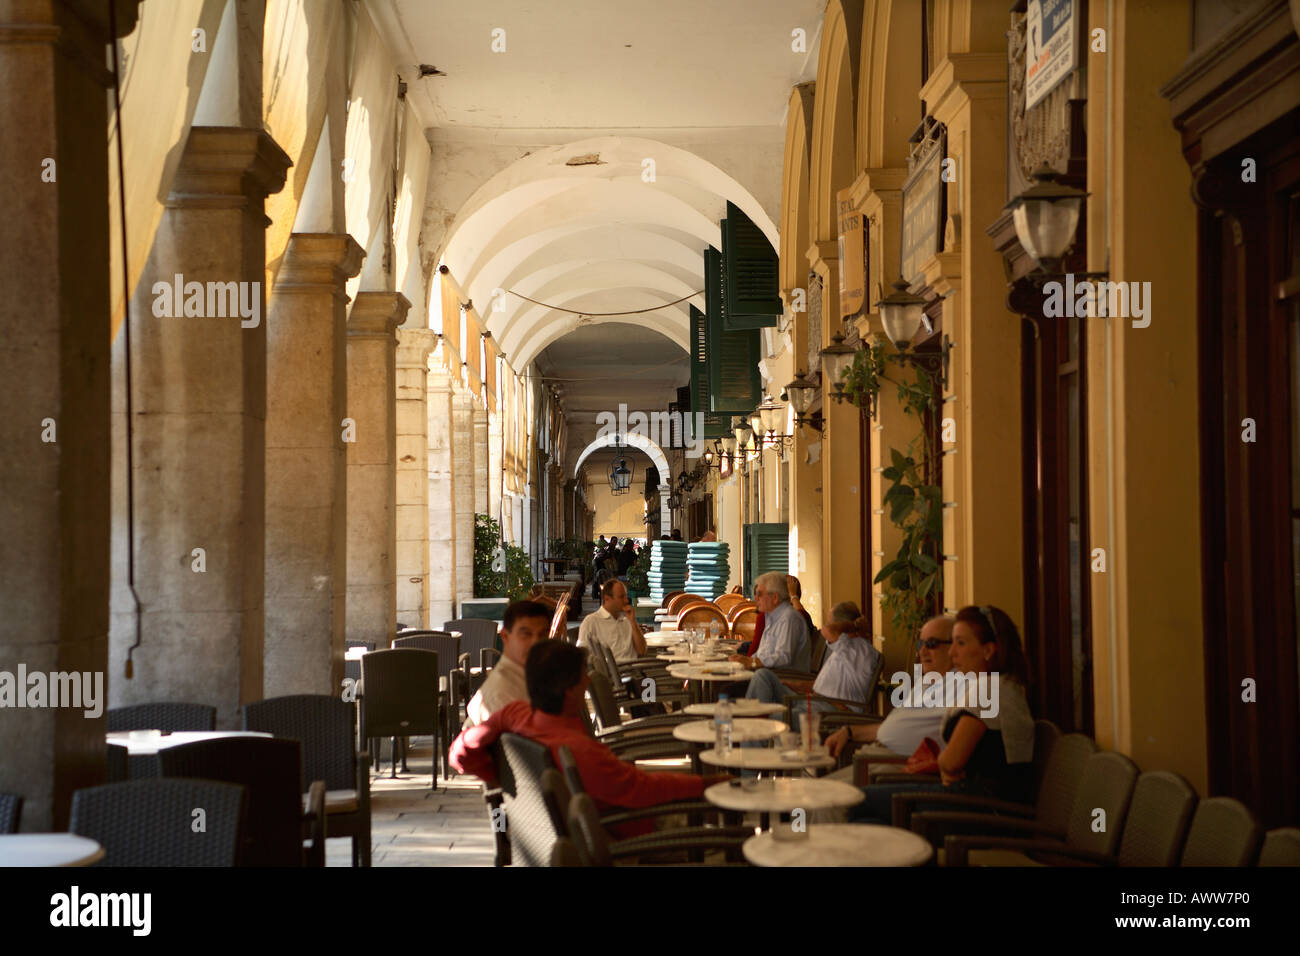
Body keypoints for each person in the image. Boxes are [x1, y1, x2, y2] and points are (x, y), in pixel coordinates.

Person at [450, 641, 729, 825]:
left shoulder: (514, 717)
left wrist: (499, 771)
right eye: (584, 674)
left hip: (563, 830)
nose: (588, 680)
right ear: (570, 689)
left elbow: (459, 755)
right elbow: (647, 788)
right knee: (726, 832)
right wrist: (710, 784)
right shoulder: (580, 752)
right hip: (622, 839)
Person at [847, 605, 1035, 823]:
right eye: (952, 642)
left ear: (988, 650)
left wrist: (948, 768)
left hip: (983, 808)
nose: (953, 652)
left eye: (961, 643)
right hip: (986, 804)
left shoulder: (989, 690)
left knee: (859, 802)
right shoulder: (1003, 685)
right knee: (869, 820)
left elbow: (950, 762)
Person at [824, 615, 954, 768]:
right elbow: (895, 726)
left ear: (954, 647)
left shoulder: (962, 689)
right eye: (920, 644)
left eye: (932, 644)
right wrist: (849, 731)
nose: (922, 651)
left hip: (896, 769)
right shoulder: (927, 682)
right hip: (871, 756)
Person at [745, 602, 879, 713]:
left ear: (840, 625)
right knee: (763, 676)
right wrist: (794, 685)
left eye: (829, 621)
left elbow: (827, 630)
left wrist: (854, 626)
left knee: (770, 720)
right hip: (815, 700)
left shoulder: (853, 648)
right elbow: (824, 684)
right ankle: (752, 722)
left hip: (829, 710)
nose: (826, 624)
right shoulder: (845, 647)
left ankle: (753, 729)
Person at [464, 599, 552, 726]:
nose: (536, 643)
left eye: (542, 634)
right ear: (505, 636)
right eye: (526, 634)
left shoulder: (532, 675)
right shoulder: (502, 693)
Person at [728, 572, 810, 672]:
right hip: (767, 673)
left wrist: (752, 662)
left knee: (727, 684)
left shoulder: (789, 618)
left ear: (775, 598)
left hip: (783, 678)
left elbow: (783, 658)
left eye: (760, 594)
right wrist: (747, 660)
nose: (756, 598)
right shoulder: (771, 617)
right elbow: (762, 653)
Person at [577, 579, 647, 662]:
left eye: (625, 596)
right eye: (621, 597)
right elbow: (581, 654)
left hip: (635, 670)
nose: (626, 601)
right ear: (607, 599)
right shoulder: (591, 621)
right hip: (614, 672)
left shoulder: (627, 621)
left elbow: (642, 651)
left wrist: (633, 622)